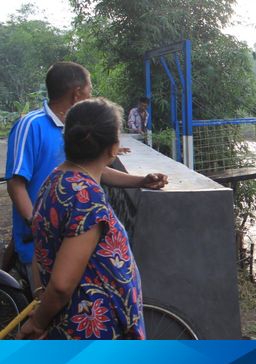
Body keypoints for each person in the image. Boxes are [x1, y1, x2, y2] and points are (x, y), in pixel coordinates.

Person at [4, 61, 167, 292]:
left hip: (69, 242)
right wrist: (37, 224)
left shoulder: (72, 129)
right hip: (41, 245)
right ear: (77, 93)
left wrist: (140, 181)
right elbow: (16, 184)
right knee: (47, 303)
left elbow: (95, 170)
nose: (91, 94)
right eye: (90, 89)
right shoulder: (31, 125)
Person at [18, 98, 151, 339]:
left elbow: (41, 247)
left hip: (72, 321)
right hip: (93, 328)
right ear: (112, 149)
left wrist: (39, 295)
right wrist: (38, 323)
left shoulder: (55, 180)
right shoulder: (86, 198)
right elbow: (61, 285)